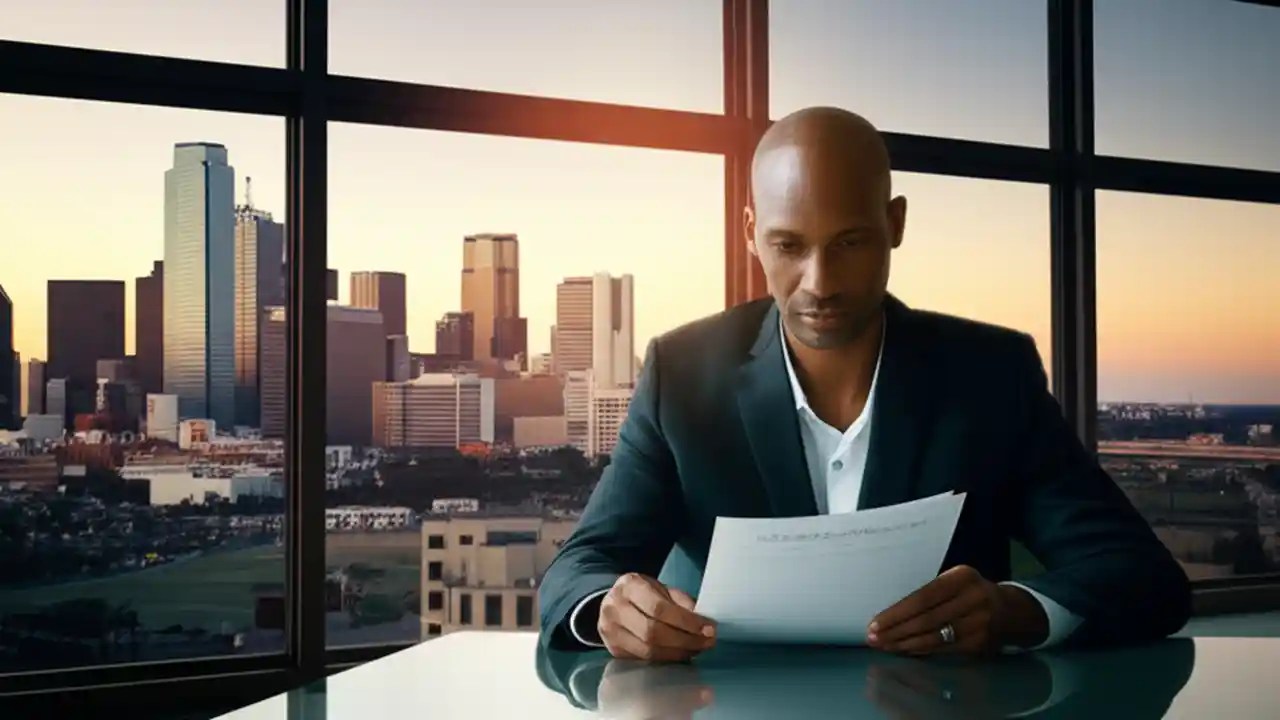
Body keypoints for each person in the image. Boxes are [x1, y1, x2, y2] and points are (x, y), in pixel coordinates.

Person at [537, 106, 1191, 661]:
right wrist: (608, 609)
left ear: (895, 224)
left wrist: (1012, 611)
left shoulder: (992, 376)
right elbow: (579, 566)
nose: (819, 283)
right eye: (789, 246)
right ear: (750, 236)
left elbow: (1144, 577)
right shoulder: (681, 374)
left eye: (849, 243)